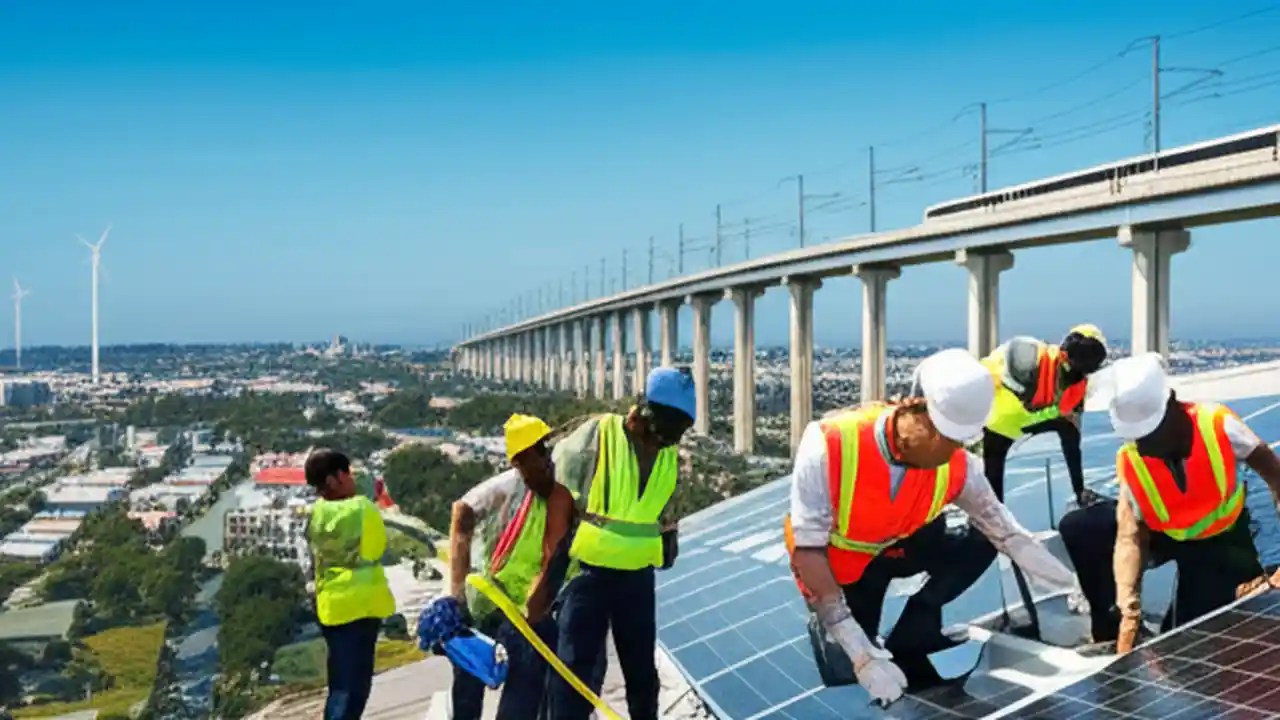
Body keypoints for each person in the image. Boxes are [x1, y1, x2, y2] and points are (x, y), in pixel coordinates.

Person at [784, 349, 1076, 707]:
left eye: (959, 441)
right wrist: (852, 640)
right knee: (849, 668)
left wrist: (1044, 563)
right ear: (911, 406)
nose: (948, 450)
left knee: (981, 542)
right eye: (941, 434)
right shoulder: (829, 443)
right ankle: (836, 636)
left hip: (905, 544)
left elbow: (998, 523)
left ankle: (916, 627)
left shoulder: (958, 464)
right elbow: (808, 549)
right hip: (848, 568)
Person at [1058, 353, 1280, 652]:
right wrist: (1129, 606)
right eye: (1136, 437)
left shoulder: (1217, 425)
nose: (1144, 446)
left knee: (1198, 641)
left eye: (1150, 434)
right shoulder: (1133, 456)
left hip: (1222, 543)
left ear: (1172, 406)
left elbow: (1275, 476)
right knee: (1081, 526)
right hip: (1165, 536)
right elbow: (1129, 535)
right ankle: (1109, 630)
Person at [547, 366, 696, 720]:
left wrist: (667, 540)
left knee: (642, 674)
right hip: (587, 575)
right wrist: (551, 571)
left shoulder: (668, 452)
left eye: (676, 434)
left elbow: (664, 509)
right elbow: (558, 501)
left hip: (637, 578)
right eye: (663, 431)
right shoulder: (597, 436)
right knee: (575, 671)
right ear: (642, 411)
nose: (666, 442)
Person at [447, 414, 576, 720]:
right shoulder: (508, 487)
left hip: (530, 606)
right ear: (519, 461)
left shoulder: (559, 489)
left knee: (526, 687)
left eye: (546, 449)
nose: (547, 459)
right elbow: (461, 514)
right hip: (491, 599)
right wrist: (456, 593)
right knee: (470, 679)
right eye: (538, 452)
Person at [305, 448, 397, 720]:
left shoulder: (316, 512)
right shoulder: (362, 509)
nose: (352, 479)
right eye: (347, 473)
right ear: (336, 477)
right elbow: (374, 549)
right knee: (354, 689)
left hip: (331, 605)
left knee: (340, 682)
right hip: (361, 603)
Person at [980, 324, 1109, 503]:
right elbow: (1069, 414)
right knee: (1069, 430)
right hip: (1003, 420)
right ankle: (1080, 492)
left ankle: (990, 517)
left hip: (1000, 421)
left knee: (993, 469)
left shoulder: (1036, 355)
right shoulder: (1072, 382)